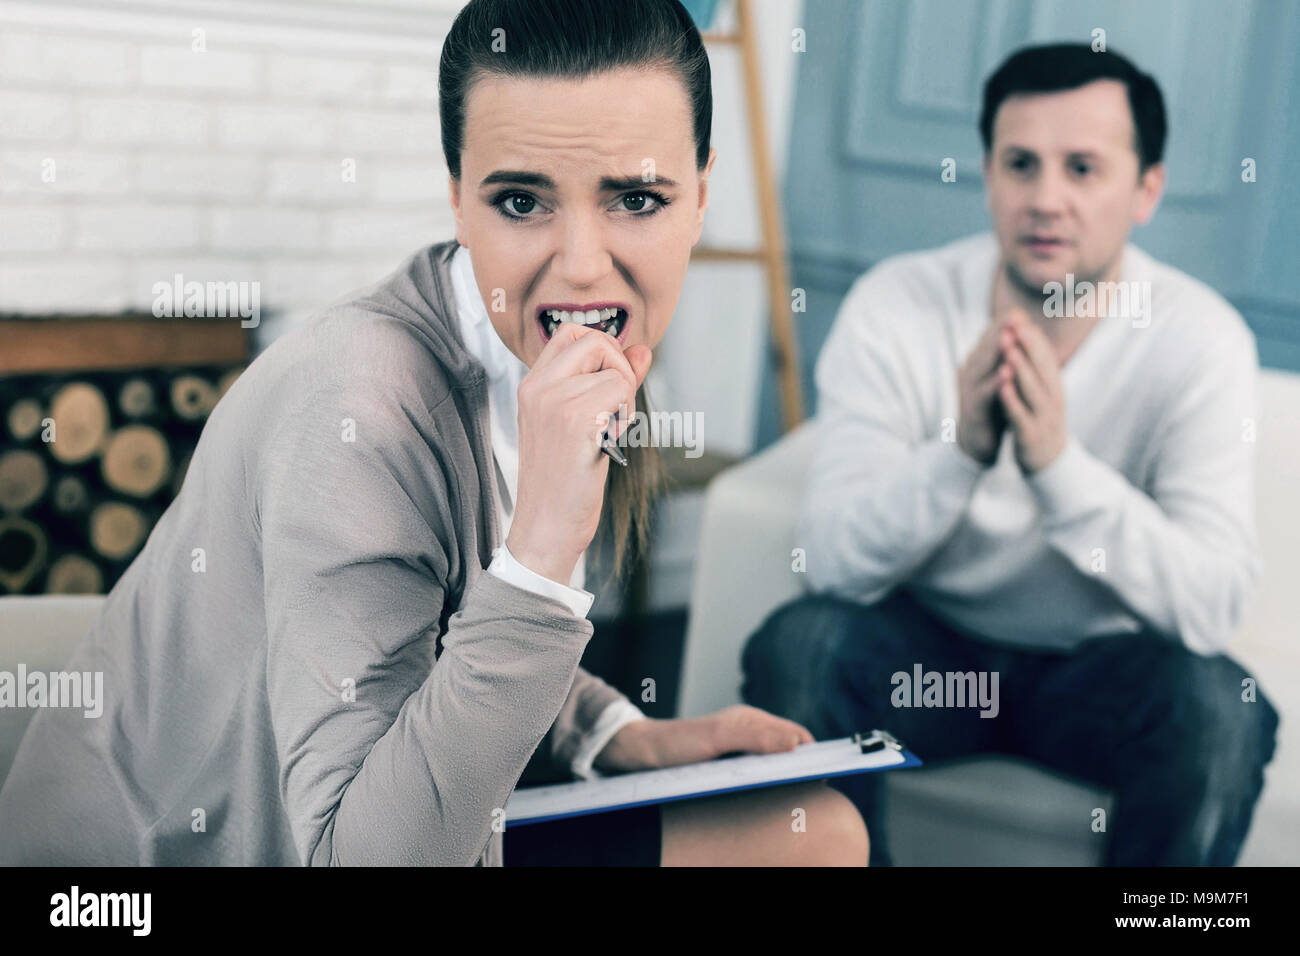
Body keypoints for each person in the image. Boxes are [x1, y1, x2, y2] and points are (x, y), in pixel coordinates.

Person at [0, 0, 869, 867]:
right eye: (522, 200)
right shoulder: (359, 410)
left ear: (703, 196)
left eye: (637, 199)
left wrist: (616, 736)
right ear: (458, 197)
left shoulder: (530, 346)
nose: (580, 263)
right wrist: (540, 555)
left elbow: (436, 618)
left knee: (812, 823)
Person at [741, 43, 1278, 866]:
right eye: (1020, 163)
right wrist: (961, 451)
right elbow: (836, 564)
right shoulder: (899, 305)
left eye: (1083, 169)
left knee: (1221, 710)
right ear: (987, 176)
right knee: (801, 645)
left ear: (1147, 190)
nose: (1046, 199)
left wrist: (1057, 468)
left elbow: (1208, 608)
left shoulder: (1201, 341)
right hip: (930, 653)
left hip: (1097, 675)